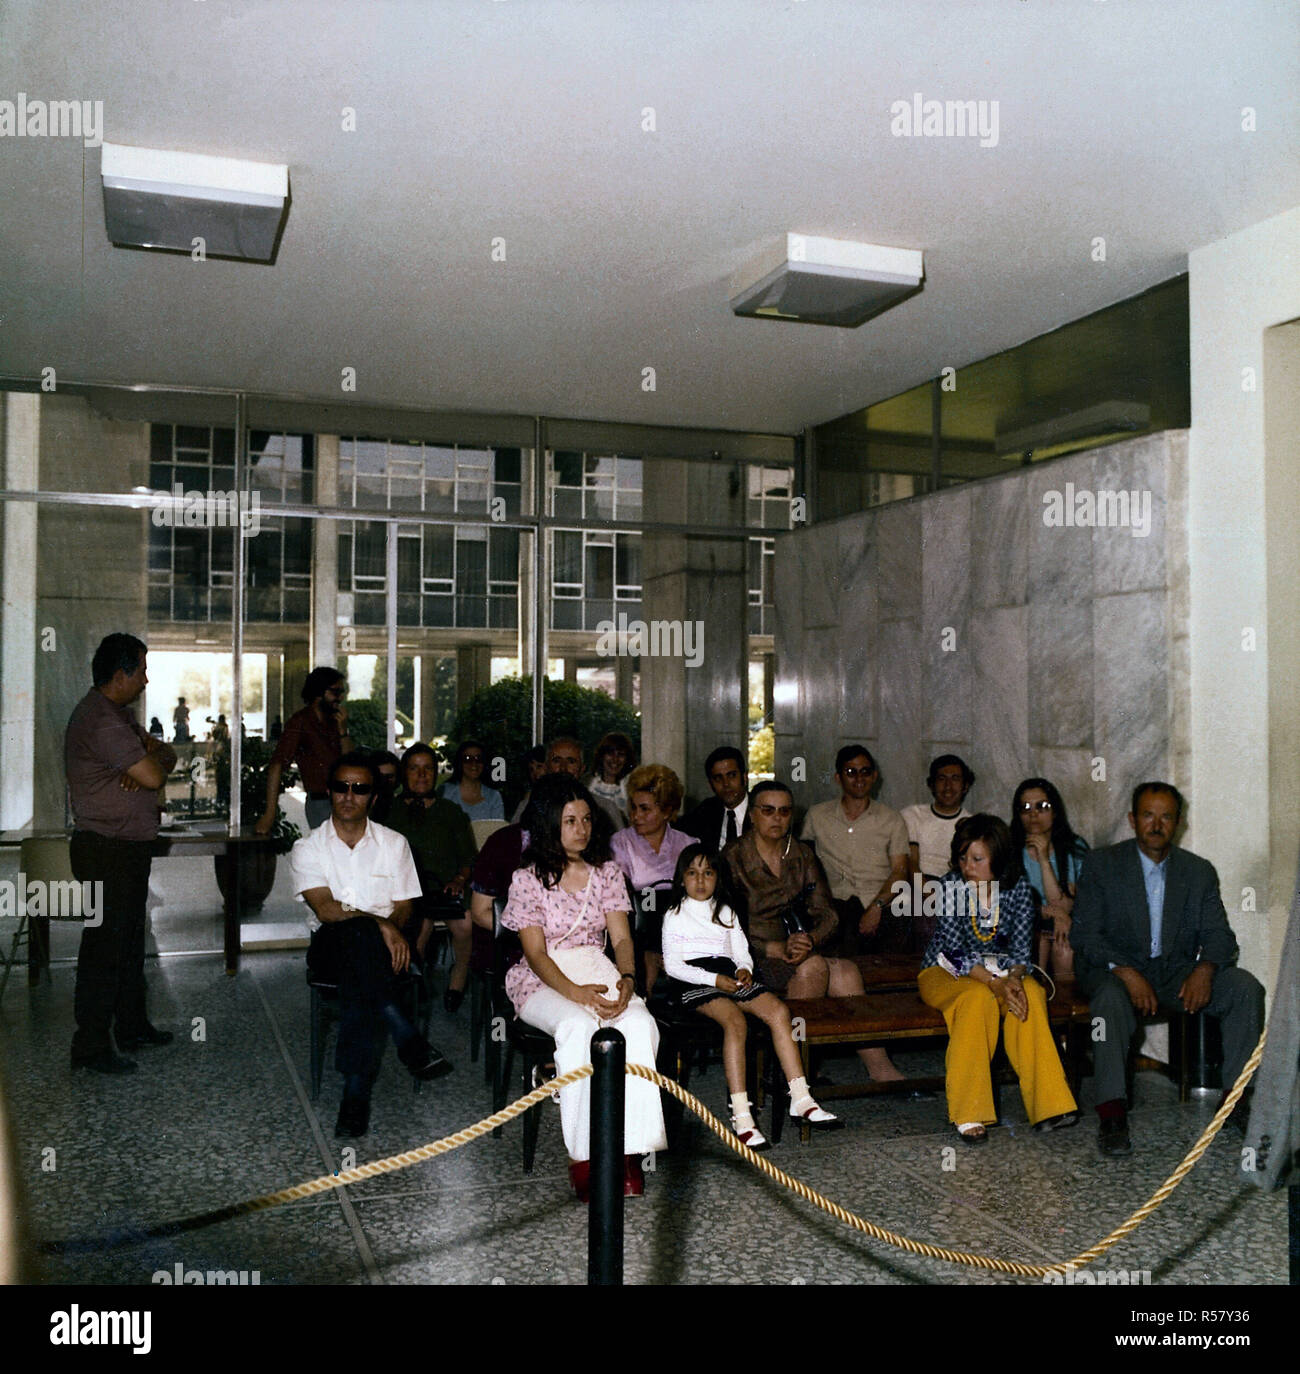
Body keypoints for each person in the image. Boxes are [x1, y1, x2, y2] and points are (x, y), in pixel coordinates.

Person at [1070, 782, 1265, 1158]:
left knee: (1245, 988)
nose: (1156, 825)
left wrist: (1206, 968)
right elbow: (1085, 935)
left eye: (1166, 817)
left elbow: (1220, 936)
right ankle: (1112, 1115)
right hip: (1113, 971)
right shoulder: (1101, 864)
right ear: (1132, 820)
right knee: (1110, 1000)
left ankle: (1236, 1101)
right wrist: (1126, 971)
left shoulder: (1198, 872)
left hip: (1173, 973)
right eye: (1147, 815)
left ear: (1178, 823)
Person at [501, 776, 667, 1201]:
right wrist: (577, 994)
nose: (582, 828)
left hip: (598, 966)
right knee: (578, 1029)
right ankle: (585, 1156)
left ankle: (631, 1149)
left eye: (587, 819)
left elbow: (624, 939)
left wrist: (627, 981)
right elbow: (536, 954)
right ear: (548, 824)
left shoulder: (607, 873)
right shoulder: (527, 878)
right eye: (570, 820)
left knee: (640, 1026)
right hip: (544, 977)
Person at [291, 751, 454, 1138]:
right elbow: (328, 909)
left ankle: (355, 1094)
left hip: (384, 951)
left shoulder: (394, 844)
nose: (349, 796)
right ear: (328, 792)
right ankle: (404, 1030)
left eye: (359, 788)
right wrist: (380, 924)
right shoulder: (307, 847)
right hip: (330, 948)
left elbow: (405, 906)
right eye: (340, 787)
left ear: (374, 797)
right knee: (360, 935)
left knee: (363, 971)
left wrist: (389, 927)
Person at [723, 780, 912, 1088]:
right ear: (753, 815)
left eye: (784, 812)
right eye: (768, 810)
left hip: (795, 949)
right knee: (814, 967)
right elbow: (721, 925)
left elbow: (828, 914)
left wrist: (809, 939)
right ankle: (788, 1071)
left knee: (846, 971)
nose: (777, 818)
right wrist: (772, 947)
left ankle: (879, 1067)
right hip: (749, 956)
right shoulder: (732, 857)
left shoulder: (801, 854)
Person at [661, 844, 840, 1146]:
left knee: (779, 1012)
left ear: (718, 878)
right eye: (692, 873)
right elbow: (673, 966)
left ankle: (800, 1097)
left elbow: (741, 952)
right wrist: (714, 980)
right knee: (735, 1022)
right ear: (681, 879)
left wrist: (743, 969)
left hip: (728, 973)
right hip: (695, 980)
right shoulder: (675, 914)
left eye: (708, 873)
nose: (701, 880)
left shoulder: (726, 911)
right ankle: (742, 1115)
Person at [918, 814, 1079, 1144]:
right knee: (977, 1000)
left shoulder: (1019, 889)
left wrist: (1015, 979)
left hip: (1002, 973)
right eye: (963, 857)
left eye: (977, 859)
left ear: (999, 859)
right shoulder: (950, 886)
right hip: (946, 972)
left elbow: (1021, 951)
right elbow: (953, 952)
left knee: (1031, 995)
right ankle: (969, 1112)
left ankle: (1050, 1105)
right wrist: (993, 983)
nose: (968, 866)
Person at [64, 634, 178, 1074]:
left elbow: (161, 755)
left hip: (125, 849)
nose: (146, 679)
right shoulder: (102, 721)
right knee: (104, 950)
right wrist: (146, 769)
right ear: (122, 673)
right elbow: (151, 774)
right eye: (143, 670)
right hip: (105, 851)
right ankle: (90, 1047)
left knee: (129, 944)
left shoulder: (120, 716)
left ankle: (131, 1027)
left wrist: (151, 763)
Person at [387, 743, 477, 1012]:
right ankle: (412, 986)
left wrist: (460, 880)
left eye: (428, 768)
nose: (422, 775)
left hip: (444, 887)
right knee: (421, 925)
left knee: (465, 926)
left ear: (436, 773)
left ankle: (457, 981)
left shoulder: (450, 811)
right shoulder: (389, 811)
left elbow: (468, 858)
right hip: (405, 889)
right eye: (414, 768)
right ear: (405, 773)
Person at [801, 745, 910, 957]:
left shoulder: (892, 819)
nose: (859, 778)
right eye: (850, 772)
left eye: (865, 771)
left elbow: (900, 871)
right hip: (832, 903)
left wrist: (877, 906)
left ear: (875, 776)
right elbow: (804, 862)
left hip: (880, 901)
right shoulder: (817, 815)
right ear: (838, 778)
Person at [610, 763, 693, 994]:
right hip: (638, 932)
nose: (636, 816)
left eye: (645, 809)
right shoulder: (620, 843)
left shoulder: (688, 845)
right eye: (634, 808)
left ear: (667, 810)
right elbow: (620, 897)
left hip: (680, 929)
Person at [255, 667, 353, 833]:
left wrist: (343, 731)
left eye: (342, 692)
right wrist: (269, 813)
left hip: (345, 799)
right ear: (318, 693)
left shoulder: (335, 721)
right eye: (336, 693)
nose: (341, 698)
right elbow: (277, 765)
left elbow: (351, 763)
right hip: (321, 802)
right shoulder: (300, 722)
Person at [1009, 777, 1088, 981]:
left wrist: (1044, 858)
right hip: (1023, 926)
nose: (1033, 814)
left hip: (1063, 927)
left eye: (1042, 806)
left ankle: (1063, 1005)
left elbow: (1064, 905)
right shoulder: (1009, 849)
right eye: (1025, 808)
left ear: (1055, 811)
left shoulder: (1074, 848)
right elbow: (1007, 904)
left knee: (1064, 948)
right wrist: (1050, 912)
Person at [901, 754, 974, 881]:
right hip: (915, 887)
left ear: (965, 786)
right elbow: (910, 863)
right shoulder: (912, 815)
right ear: (931, 785)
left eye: (955, 779)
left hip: (952, 887)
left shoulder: (972, 823)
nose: (948, 786)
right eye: (941, 779)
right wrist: (927, 892)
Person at [679, 746, 749, 850]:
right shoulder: (705, 812)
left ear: (744, 777)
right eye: (718, 778)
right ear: (710, 784)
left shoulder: (762, 810)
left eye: (732, 775)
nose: (726, 784)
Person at [510, 736, 585, 822]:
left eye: (571, 761)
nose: (563, 768)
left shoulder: (599, 805)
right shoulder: (529, 806)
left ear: (582, 769)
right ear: (547, 767)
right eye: (556, 761)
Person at [439, 739, 505, 822]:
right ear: (460, 762)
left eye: (478, 759)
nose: (474, 764)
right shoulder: (446, 792)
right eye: (467, 759)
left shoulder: (493, 797)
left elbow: (498, 830)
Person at [585, 731, 636, 831]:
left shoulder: (632, 787)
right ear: (601, 756)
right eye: (610, 754)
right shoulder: (587, 783)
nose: (615, 759)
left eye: (621, 754)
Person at [368, 748, 400, 824]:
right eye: (379, 776)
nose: (384, 781)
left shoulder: (402, 808)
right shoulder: (361, 807)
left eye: (389, 777)